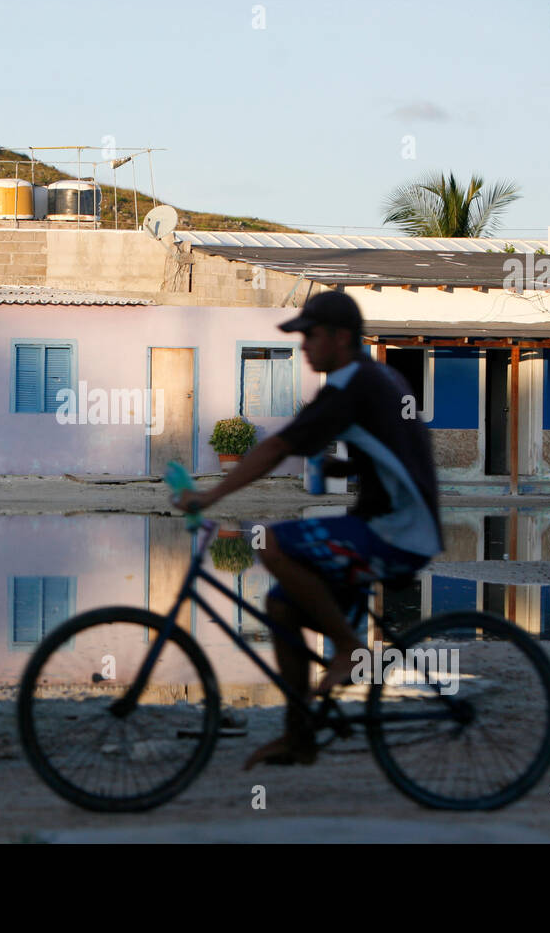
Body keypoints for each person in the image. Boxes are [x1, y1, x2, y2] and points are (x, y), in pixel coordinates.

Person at [172, 289, 443, 769]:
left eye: (309, 336)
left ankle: (348, 647)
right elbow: (380, 455)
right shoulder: (370, 377)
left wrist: (210, 495)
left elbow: (277, 448)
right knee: (280, 605)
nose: (303, 347)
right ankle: (299, 738)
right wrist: (334, 473)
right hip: (389, 522)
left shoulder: (352, 383)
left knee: (273, 541)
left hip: (397, 531)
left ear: (340, 338)